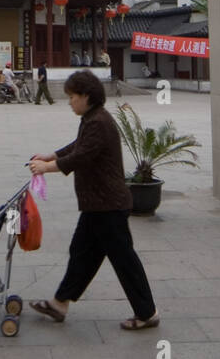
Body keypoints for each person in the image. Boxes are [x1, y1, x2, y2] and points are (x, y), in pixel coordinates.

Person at [26, 70, 159, 331]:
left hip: (108, 205)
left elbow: (81, 156)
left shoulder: (98, 121)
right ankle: (60, 302)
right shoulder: (92, 118)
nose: (70, 102)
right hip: (98, 205)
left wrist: (47, 168)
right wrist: (49, 155)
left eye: (72, 96)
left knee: (123, 260)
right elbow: (78, 146)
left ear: (86, 96)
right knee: (82, 254)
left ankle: (147, 312)